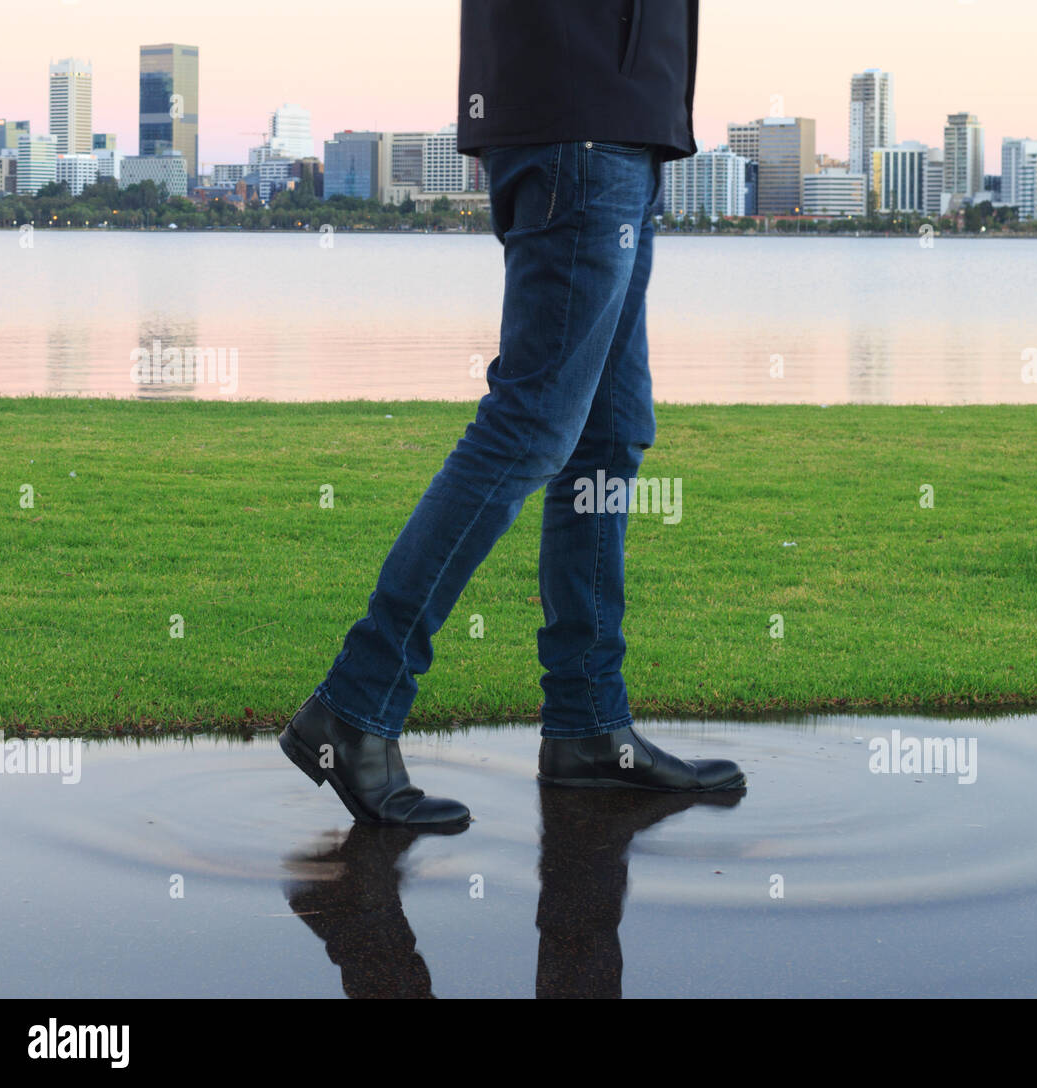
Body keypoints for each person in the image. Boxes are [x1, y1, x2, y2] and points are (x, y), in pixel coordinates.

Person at [279, 0, 744, 828]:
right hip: (583, 118)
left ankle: (590, 729)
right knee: (531, 424)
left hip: (618, 120)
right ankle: (356, 707)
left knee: (608, 439)